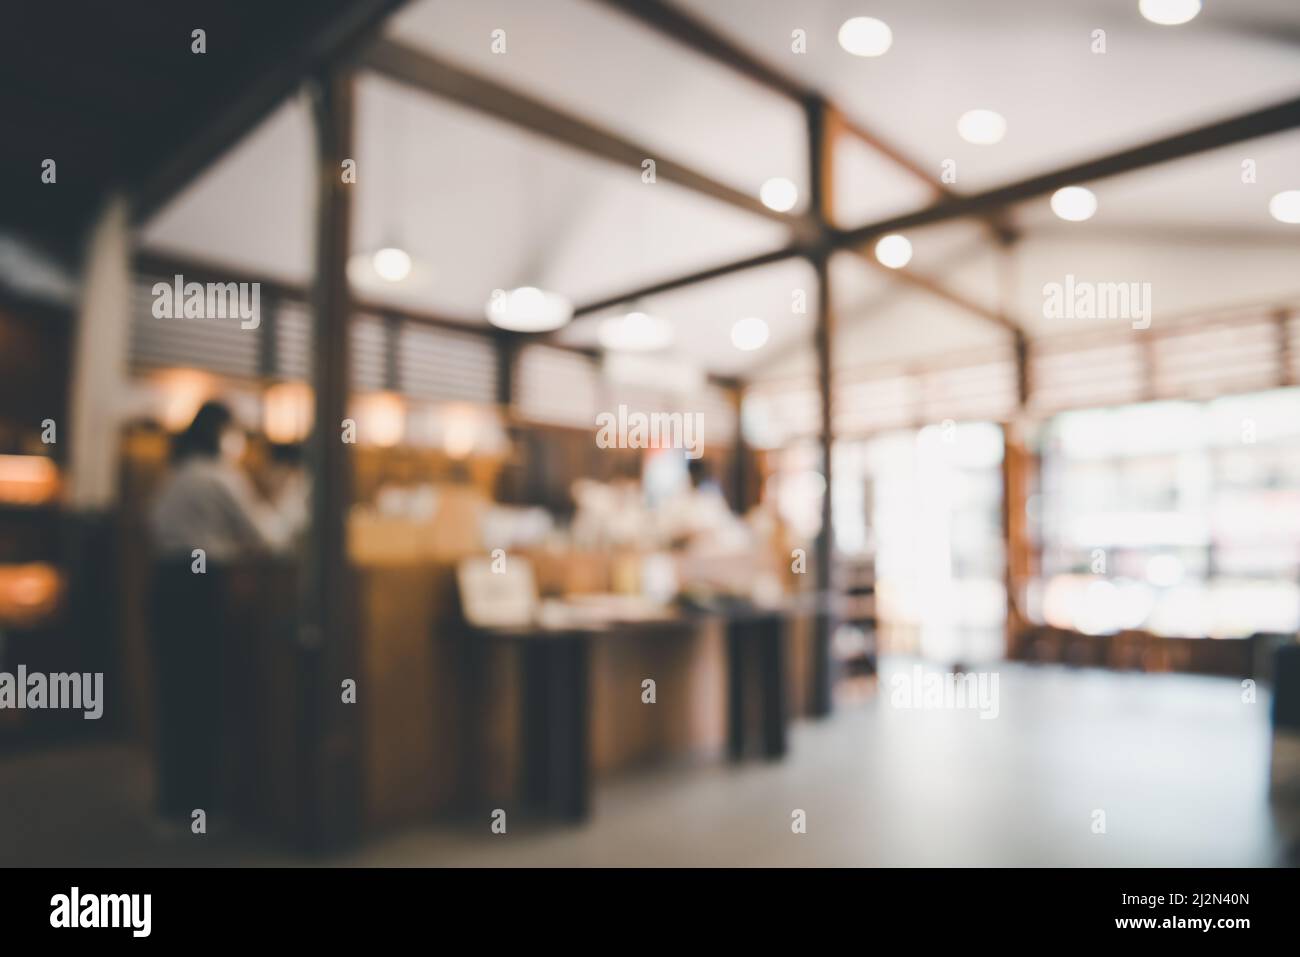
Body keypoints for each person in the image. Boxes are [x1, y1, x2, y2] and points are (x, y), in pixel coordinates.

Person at [146, 400, 304, 830]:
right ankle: (199, 809)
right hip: (200, 592)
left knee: (176, 698)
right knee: (203, 696)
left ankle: (176, 805)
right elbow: (270, 537)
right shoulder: (220, 477)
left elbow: (159, 527)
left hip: (165, 586)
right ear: (222, 433)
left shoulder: (176, 473)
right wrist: (293, 494)